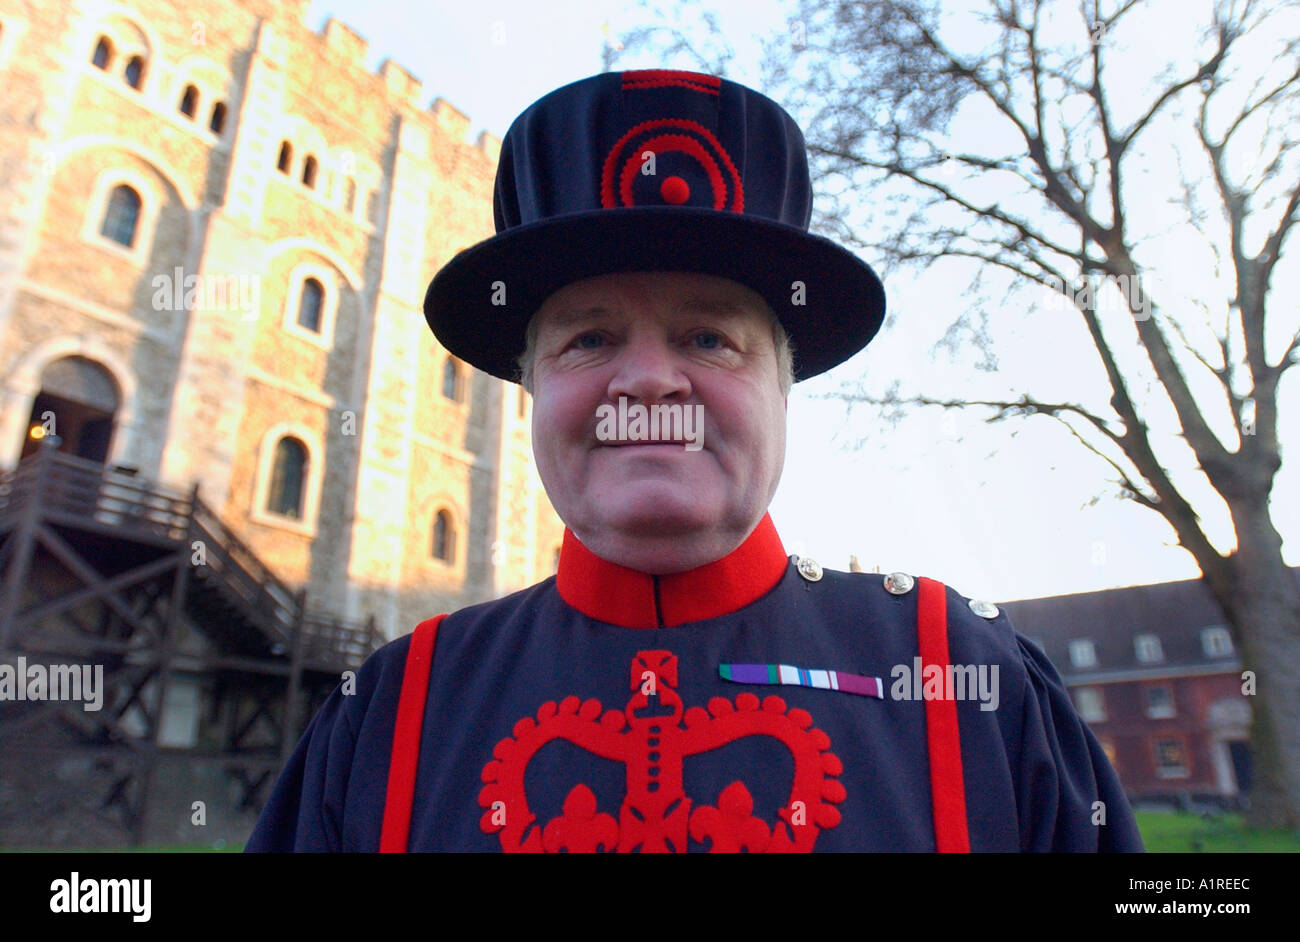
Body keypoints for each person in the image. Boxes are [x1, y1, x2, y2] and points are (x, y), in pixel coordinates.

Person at [246, 70, 1144, 853]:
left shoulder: (969, 681)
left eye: (710, 337)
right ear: (530, 390)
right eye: (588, 338)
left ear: (782, 389)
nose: (645, 380)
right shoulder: (394, 714)